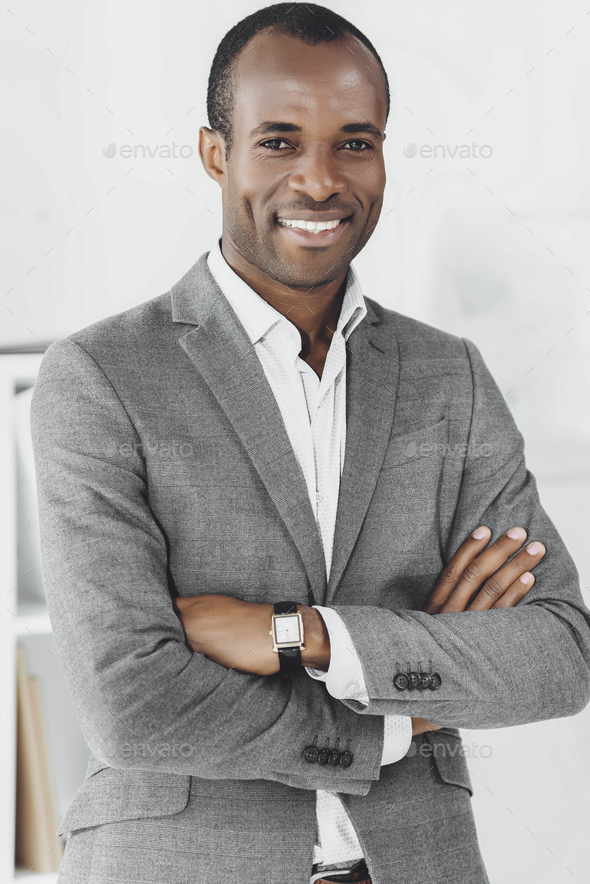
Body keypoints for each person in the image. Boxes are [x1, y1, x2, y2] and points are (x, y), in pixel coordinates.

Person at [31, 4, 590, 883]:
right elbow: (132, 702)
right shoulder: (100, 376)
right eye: (280, 141)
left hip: (420, 861)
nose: (321, 181)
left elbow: (558, 655)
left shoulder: (450, 375)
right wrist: (406, 707)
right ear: (216, 153)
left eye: (354, 142)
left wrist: (305, 636)